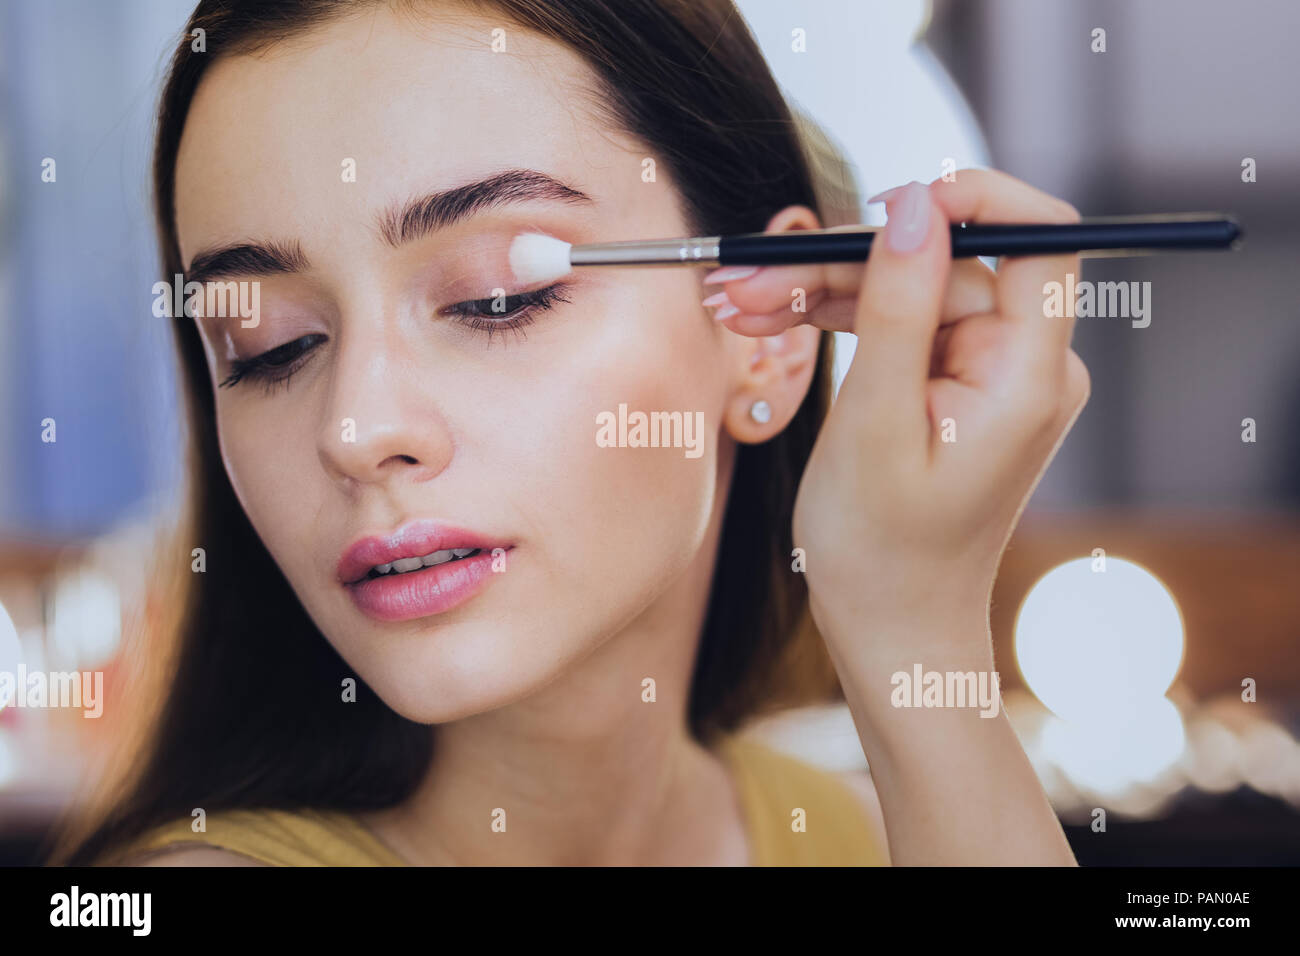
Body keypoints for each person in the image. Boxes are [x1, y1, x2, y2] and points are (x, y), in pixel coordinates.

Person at [56, 0, 1086, 866]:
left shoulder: (865, 833)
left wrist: (912, 633)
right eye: (271, 344)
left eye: (497, 298)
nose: (357, 428)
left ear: (765, 338)